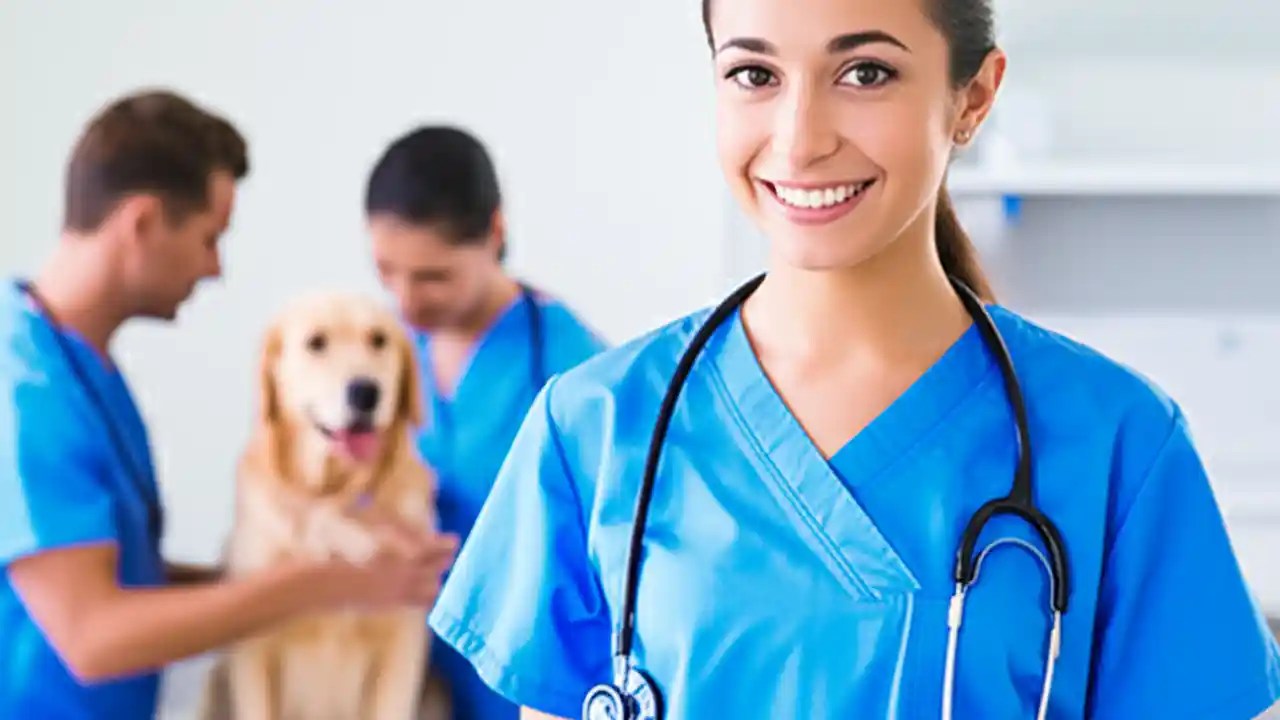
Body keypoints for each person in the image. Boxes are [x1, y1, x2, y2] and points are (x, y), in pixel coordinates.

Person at [423, 0, 1280, 718]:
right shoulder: (595, 428)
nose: (799, 141)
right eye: (755, 75)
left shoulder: (1115, 443)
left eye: (865, 72)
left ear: (974, 97)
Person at [0, 90, 457, 719]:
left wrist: (275, 568)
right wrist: (332, 582)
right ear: (142, 224)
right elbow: (91, 636)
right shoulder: (24, 390)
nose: (215, 268)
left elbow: (118, 572)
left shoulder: (77, 365)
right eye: (210, 237)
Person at [363, 125, 607, 719]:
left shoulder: (576, 372)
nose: (406, 301)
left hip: (522, 683)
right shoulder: (380, 358)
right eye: (386, 271)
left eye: (432, 277)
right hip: (404, 679)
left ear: (495, 233)